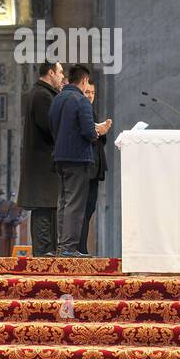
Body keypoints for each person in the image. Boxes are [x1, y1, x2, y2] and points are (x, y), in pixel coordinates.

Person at [48, 64, 111, 257]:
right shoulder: (81, 100)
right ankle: (69, 248)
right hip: (78, 159)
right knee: (75, 204)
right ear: (84, 80)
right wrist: (98, 131)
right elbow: (87, 132)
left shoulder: (57, 99)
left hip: (60, 157)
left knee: (64, 202)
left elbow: (52, 125)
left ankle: (62, 245)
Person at [17, 61, 64, 256]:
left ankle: (47, 257)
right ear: (51, 73)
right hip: (42, 168)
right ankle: (43, 260)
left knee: (48, 210)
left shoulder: (44, 94)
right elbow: (51, 128)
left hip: (45, 168)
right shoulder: (42, 96)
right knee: (44, 212)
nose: (62, 76)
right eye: (60, 72)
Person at [79, 80, 108, 255]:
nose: (90, 96)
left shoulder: (91, 111)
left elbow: (98, 140)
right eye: (87, 92)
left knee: (90, 208)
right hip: (85, 169)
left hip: (94, 169)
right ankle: (79, 248)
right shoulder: (82, 111)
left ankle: (82, 247)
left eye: (93, 93)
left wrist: (102, 132)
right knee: (82, 209)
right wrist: (98, 132)